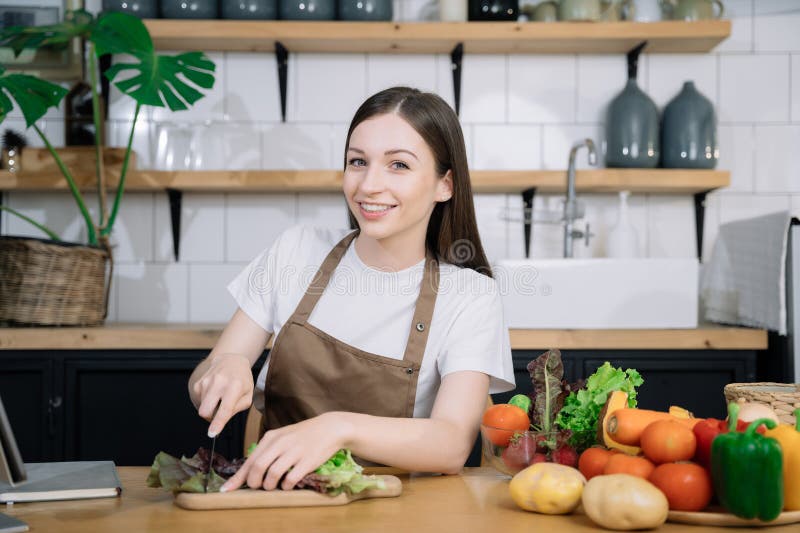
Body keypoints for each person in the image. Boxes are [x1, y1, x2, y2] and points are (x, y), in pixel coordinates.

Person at [188, 86, 515, 493]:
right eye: (357, 161)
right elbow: (211, 369)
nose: (369, 185)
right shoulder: (296, 250)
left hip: (399, 510)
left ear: (444, 185)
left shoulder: (470, 296)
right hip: (277, 501)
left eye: (398, 165)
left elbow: (451, 443)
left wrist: (338, 428)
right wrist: (224, 369)